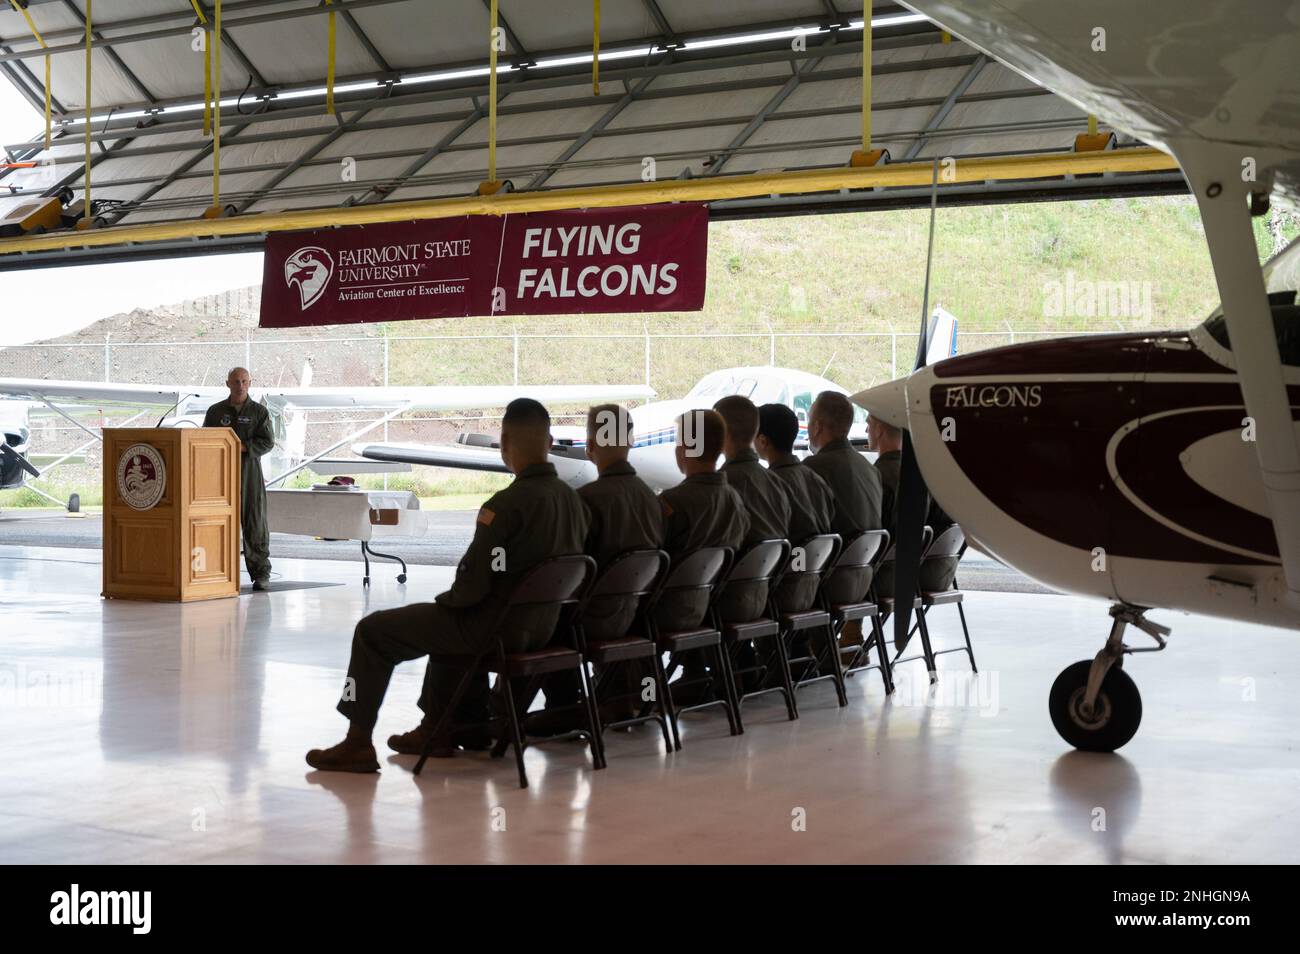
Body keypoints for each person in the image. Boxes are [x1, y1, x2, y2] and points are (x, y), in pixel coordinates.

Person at [305, 398, 590, 773]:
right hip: (544, 627)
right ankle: (455, 728)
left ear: (504, 444)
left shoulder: (506, 505)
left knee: (373, 632)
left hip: (495, 630)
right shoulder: (575, 502)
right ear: (550, 441)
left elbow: (472, 587)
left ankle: (357, 741)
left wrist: (447, 602)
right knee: (447, 624)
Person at [537, 404, 663, 726]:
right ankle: (626, 696)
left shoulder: (586, 499)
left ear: (590, 447)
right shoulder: (655, 501)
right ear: (632, 442)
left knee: (544, 614)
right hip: (638, 614)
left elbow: (565, 569)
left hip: (592, 620)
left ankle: (561, 711)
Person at [658, 409, 749, 704]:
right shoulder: (735, 500)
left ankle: (633, 694)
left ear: (684, 449)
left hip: (673, 610)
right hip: (717, 605)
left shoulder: (672, 502)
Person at [804, 391, 882, 651]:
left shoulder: (816, 469)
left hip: (831, 583)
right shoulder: (870, 469)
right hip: (865, 578)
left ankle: (796, 657)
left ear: (816, 426)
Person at [756, 402, 835, 613]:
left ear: (762, 441)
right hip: (813, 584)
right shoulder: (815, 478)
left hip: (781, 587)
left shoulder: (769, 484)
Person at [203, 367, 275, 590]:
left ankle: (261, 574)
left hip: (249, 475)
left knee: (255, 523)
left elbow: (267, 442)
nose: (240, 385)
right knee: (218, 524)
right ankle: (216, 571)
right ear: (228, 384)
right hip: (220, 475)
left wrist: (242, 447)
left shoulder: (259, 412)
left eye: (244, 381)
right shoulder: (215, 412)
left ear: (250, 383)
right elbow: (204, 439)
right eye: (236, 381)